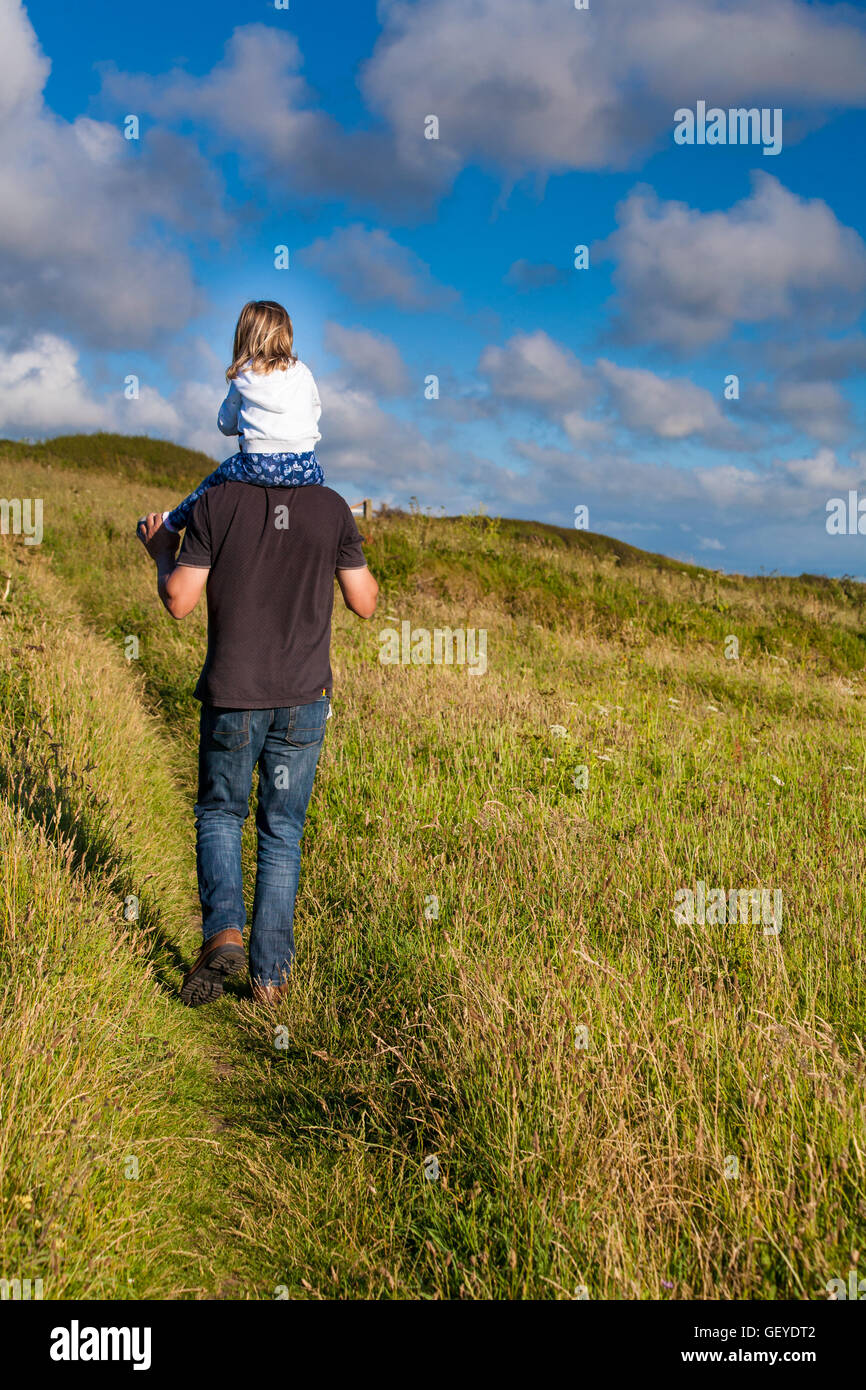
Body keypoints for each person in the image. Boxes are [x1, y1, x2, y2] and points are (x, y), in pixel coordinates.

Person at [136, 309, 378, 1008]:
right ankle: (270, 984)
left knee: (221, 814)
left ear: (243, 415)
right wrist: (346, 553)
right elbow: (364, 604)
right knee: (283, 832)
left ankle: (223, 937)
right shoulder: (332, 508)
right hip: (305, 700)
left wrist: (161, 555)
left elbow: (180, 601)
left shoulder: (218, 502)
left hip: (235, 694)